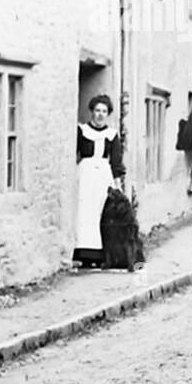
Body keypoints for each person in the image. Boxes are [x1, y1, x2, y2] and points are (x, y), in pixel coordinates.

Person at [72, 94, 126, 269]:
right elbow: (73, 154)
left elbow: (116, 162)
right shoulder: (82, 131)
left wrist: (118, 186)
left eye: (104, 111)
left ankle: (101, 254)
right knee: (84, 211)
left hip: (103, 175)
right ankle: (83, 253)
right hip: (86, 173)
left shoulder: (112, 135)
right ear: (92, 112)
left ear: (108, 114)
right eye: (97, 110)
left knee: (100, 212)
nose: (100, 114)